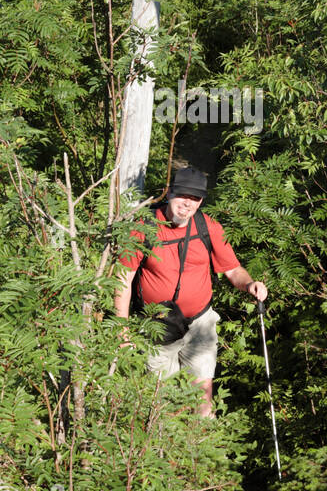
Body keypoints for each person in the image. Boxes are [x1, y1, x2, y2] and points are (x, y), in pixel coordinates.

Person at [114, 165, 268, 418]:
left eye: (195, 198)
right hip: (157, 324)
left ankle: (203, 447)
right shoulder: (143, 227)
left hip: (200, 323)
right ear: (170, 193)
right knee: (160, 397)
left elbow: (233, 270)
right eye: (183, 195)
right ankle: (166, 451)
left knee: (203, 393)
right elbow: (123, 278)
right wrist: (122, 330)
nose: (187, 203)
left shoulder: (207, 227)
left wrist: (249, 284)